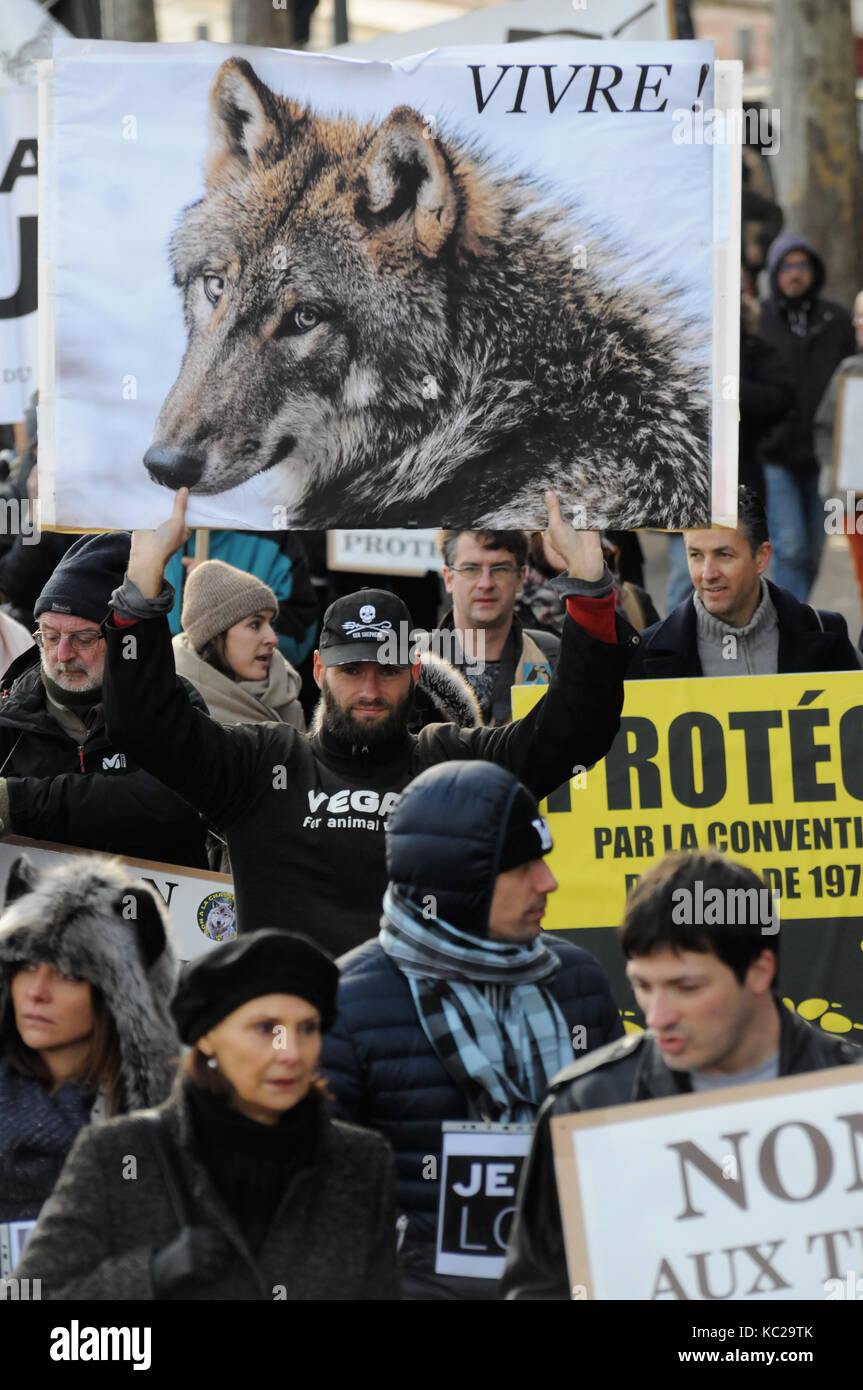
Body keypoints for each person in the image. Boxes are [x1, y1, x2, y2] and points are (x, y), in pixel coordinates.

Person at [101, 488, 635, 956]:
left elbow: (574, 731)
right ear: (318, 669)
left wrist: (589, 587)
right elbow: (144, 725)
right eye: (351, 670)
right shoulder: (262, 765)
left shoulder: (455, 766)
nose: (371, 690)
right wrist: (141, 588)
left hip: (422, 1043)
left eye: (388, 671)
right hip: (293, 1046)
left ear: (415, 670)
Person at [321, 760, 623, 1300]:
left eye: (544, 861)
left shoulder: (577, 979)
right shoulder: (342, 1006)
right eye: (523, 867)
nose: (549, 882)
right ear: (461, 882)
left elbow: (618, 1152)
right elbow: (323, 1214)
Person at [502, 849, 861, 1300]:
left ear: (759, 972)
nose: (658, 1016)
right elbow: (538, 1288)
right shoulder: (589, 1107)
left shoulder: (851, 1096)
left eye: (686, 987)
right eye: (643, 985)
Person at [14, 929, 400, 1300]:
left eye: (307, 1028)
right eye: (267, 1028)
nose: (292, 1053)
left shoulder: (362, 1163)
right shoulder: (117, 1154)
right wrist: (151, 1273)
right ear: (206, 1037)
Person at [0, 531, 210, 868]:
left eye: (84, 638)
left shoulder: (174, 703)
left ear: (121, 641)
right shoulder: (8, 714)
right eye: (50, 636)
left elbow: (175, 802)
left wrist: (17, 802)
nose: (63, 654)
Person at [0, 854, 179, 1232]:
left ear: (120, 998)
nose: (36, 992)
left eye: (68, 974)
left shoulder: (177, 1126)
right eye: (27, 966)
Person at [627, 486, 861, 679]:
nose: (708, 573)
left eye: (723, 555)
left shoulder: (827, 635)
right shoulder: (647, 654)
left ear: (761, 557)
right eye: (696, 555)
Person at [757, 234, 856, 599]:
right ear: (775, 271)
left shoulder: (837, 319)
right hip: (776, 455)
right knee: (791, 546)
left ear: (813, 270)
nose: (795, 273)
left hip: (824, 459)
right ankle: (791, 636)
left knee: (813, 551)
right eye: (787, 265)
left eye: (802, 265)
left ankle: (793, 616)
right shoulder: (761, 318)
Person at [432, 528, 561, 726]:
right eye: (471, 569)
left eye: (500, 568)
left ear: (520, 578)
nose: (485, 583)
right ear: (448, 578)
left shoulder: (551, 656)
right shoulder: (411, 668)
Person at [172, 559, 305, 732]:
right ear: (214, 635)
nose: (273, 639)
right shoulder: (176, 706)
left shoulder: (287, 699)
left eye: (271, 623)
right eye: (255, 624)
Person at [165, 529, 318, 671]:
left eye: (257, 624)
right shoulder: (145, 532)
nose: (273, 638)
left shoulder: (271, 534)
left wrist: (230, 597)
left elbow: (298, 633)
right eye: (255, 624)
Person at [814, 288, 863, 625]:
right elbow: (825, 427)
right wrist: (833, 475)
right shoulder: (849, 371)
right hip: (854, 497)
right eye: (860, 319)